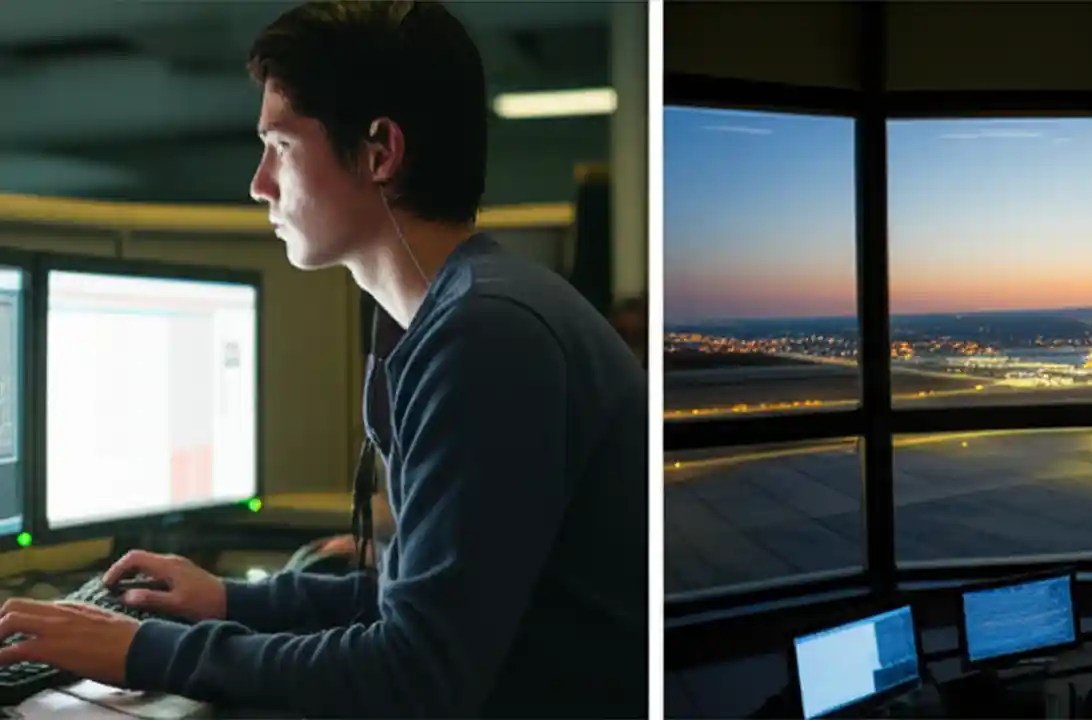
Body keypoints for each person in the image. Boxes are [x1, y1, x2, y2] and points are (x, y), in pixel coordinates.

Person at [0, 2, 648, 717]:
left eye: (279, 146)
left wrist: (136, 649)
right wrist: (228, 598)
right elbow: (432, 600)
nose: (259, 183)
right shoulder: (473, 309)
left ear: (379, 151)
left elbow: (415, 670)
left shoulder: (485, 336)